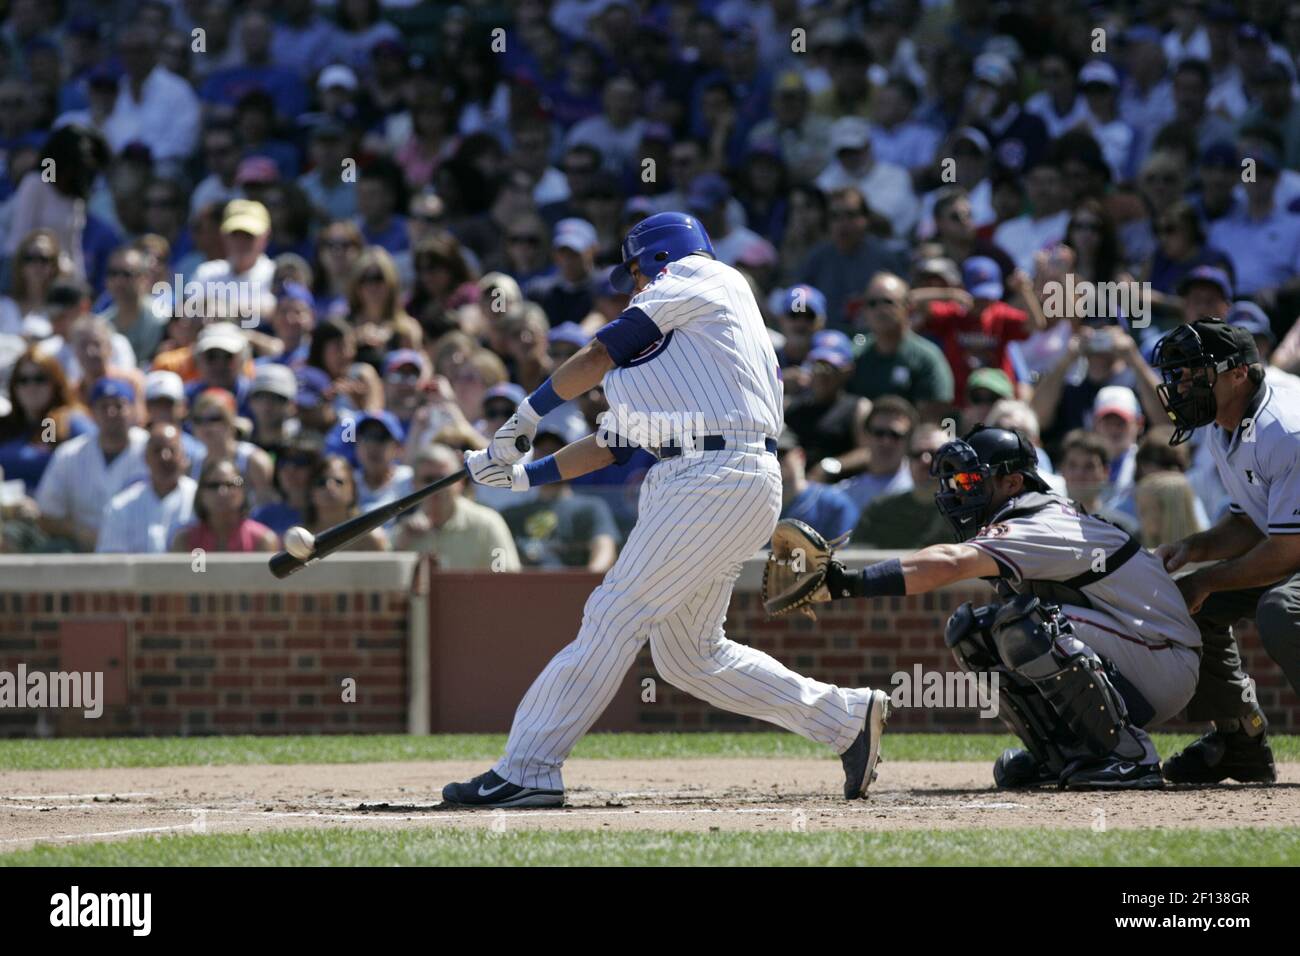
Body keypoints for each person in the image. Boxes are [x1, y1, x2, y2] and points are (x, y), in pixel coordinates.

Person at [444, 212, 890, 808]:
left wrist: (526, 416)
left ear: (659, 257)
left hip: (714, 475)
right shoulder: (684, 353)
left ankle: (528, 768)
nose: (631, 285)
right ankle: (845, 718)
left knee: (613, 613)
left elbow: (601, 352)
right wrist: (520, 476)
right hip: (711, 478)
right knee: (689, 656)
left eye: (633, 271)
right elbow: (610, 446)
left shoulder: (704, 276)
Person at [811, 425, 1200, 789]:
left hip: (1163, 660)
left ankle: (1132, 756)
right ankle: (1060, 754)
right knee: (972, 631)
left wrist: (845, 583)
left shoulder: (1040, 520)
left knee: (1027, 624)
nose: (958, 492)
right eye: (955, 482)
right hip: (1135, 653)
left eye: (970, 481)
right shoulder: (1022, 513)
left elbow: (949, 563)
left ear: (1012, 482)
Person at [1148, 318, 1300, 783]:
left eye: (1196, 374)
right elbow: (1249, 522)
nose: (1182, 386)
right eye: (1179, 375)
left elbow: (1288, 550)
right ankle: (1240, 740)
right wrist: (1193, 549)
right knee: (1187, 604)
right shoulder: (1225, 424)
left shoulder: (1284, 427)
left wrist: (1207, 578)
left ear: (1239, 373)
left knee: (1282, 609)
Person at [34, 377, 149, 552]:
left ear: (133, 410)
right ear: (92, 413)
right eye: (103, 406)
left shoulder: (153, 449)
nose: (111, 412)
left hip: (141, 546)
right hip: (81, 549)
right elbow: (46, 514)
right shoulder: (69, 453)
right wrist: (80, 533)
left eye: (119, 406)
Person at [501, 423, 620, 572]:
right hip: (524, 591)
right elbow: (498, 559)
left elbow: (605, 550)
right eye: (541, 453)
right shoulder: (513, 515)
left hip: (576, 591)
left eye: (554, 453)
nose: (547, 460)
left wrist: (586, 585)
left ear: (571, 460)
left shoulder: (591, 508)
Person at [392, 443, 519, 569]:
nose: (436, 487)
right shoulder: (405, 531)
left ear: (460, 482)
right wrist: (399, 549)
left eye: (443, 479)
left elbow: (506, 579)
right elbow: (386, 585)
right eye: (428, 480)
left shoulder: (487, 524)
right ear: (414, 484)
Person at [97, 423, 195, 553]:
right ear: (145, 458)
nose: (165, 457)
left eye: (172, 450)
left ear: (184, 457)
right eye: (157, 450)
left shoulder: (200, 500)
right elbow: (111, 564)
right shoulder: (121, 506)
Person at [851, 423, 953, 548]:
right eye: (917, 454)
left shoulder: (967, 512)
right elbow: (858, 557)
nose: (925, 460)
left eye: (934, 453)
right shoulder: (880, 510)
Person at [171, 457, 278, 553]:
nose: (222, 492)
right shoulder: (184, 541)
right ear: (201, 494)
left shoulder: (262, 540)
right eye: (213, 485)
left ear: (243, 491)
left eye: (230, 484)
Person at [776, 428, 858, 540]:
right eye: (768, 453)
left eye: (779, 453)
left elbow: (846, 555)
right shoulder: (756, 505)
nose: (774, 460)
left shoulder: (834, 504)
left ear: (800, 456)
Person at [303, 453, 388, 551]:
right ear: (311, 492)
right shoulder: (299, 538)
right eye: (321, 482)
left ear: (353, 490)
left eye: (338, 481)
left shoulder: (372, 538)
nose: (329, 487)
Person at [1135, 471, 1203, 550]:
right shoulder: (1142, 550)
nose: (1139, 516)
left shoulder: (1206, 556)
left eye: (1144, 510)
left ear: (1167, 512)